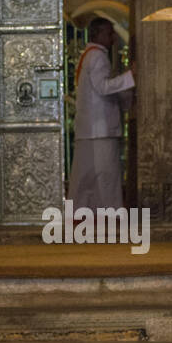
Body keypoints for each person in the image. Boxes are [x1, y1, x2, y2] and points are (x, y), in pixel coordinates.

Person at [69, 17, 134, 210]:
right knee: (107, 175)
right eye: (109, 33)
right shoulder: (97, 56)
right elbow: (103, 87)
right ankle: (109, 212)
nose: (113, 37)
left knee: (85, 175)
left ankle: (82, 211)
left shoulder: (88, 55)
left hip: (90, 127)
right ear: (97, 34)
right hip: (100, 127)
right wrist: (131, 76)